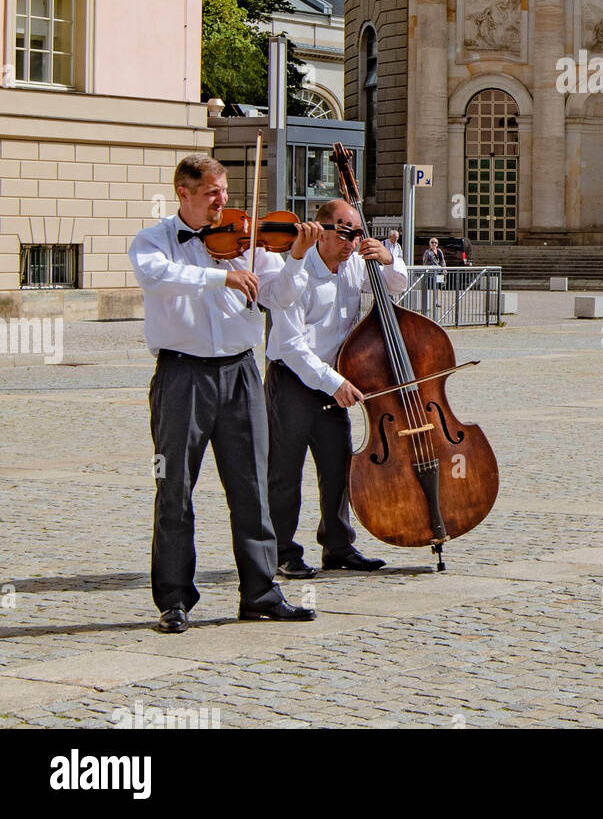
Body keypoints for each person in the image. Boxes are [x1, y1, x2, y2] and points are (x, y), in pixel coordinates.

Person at [128, 153, 317, 634]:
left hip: (240, 372)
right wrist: (222, 274)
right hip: (181, 376)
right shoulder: (154, 242)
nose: (223, 202)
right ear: (184, 194)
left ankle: (260, 592)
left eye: (226, 191)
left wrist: (295, 259)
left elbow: (281, 297)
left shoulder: (250, 242)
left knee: (253, 484)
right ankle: (173, 599)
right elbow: (157, 277)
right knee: (175, 489)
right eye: (213, 193)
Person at [262, 198, 409, 578]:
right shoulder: (294, 273)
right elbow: (292, 346)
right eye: (346, 234)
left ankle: (338, 545)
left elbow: (396, 288)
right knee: (285, 471)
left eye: (358, 234)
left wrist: (390, 259)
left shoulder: (354, 265)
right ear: (322, 230)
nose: (352, 242)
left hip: (334, 382)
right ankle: (281, 550)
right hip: (292, 381)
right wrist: (334, 382)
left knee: (338, 466)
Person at [421, 235, 446, 317]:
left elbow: (442, 260)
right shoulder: (427, 252)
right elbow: (424, 262)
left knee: (438, 287)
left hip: (439, 272)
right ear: (430, 244)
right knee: (431, 286)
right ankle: (428, 302)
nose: (434, 244)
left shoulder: (439, 251)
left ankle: (436, 301)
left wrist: (444, 268)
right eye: (432, 242)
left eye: (435, 242)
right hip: (431, 273)